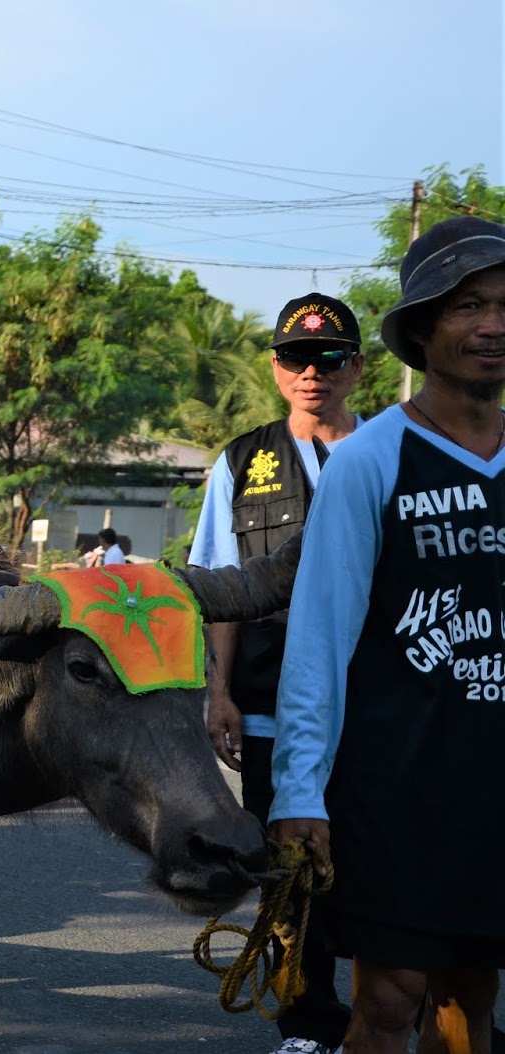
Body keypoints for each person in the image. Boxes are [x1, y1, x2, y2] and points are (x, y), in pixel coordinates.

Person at [272, 217, 505, 1053]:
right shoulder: (372, 461)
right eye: (468, 304)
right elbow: (320, 639)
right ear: (422, 329)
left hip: (495, 779)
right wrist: (299, 790)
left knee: (475, 993)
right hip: (396, 782)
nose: (492, 325)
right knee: (389, 1001)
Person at [190, 291, 364, 1054]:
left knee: (387, 854)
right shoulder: (240, 461)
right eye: (296, 358)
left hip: (381, 700)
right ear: (274, 368)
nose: (312, 372)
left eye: (329, 358)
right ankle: (309, 1023)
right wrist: (218, 691)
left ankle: (418, 1009)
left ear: (357, 368)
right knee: (290, 865)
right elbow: (220, 586)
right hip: (268, 701)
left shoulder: (391, 450)